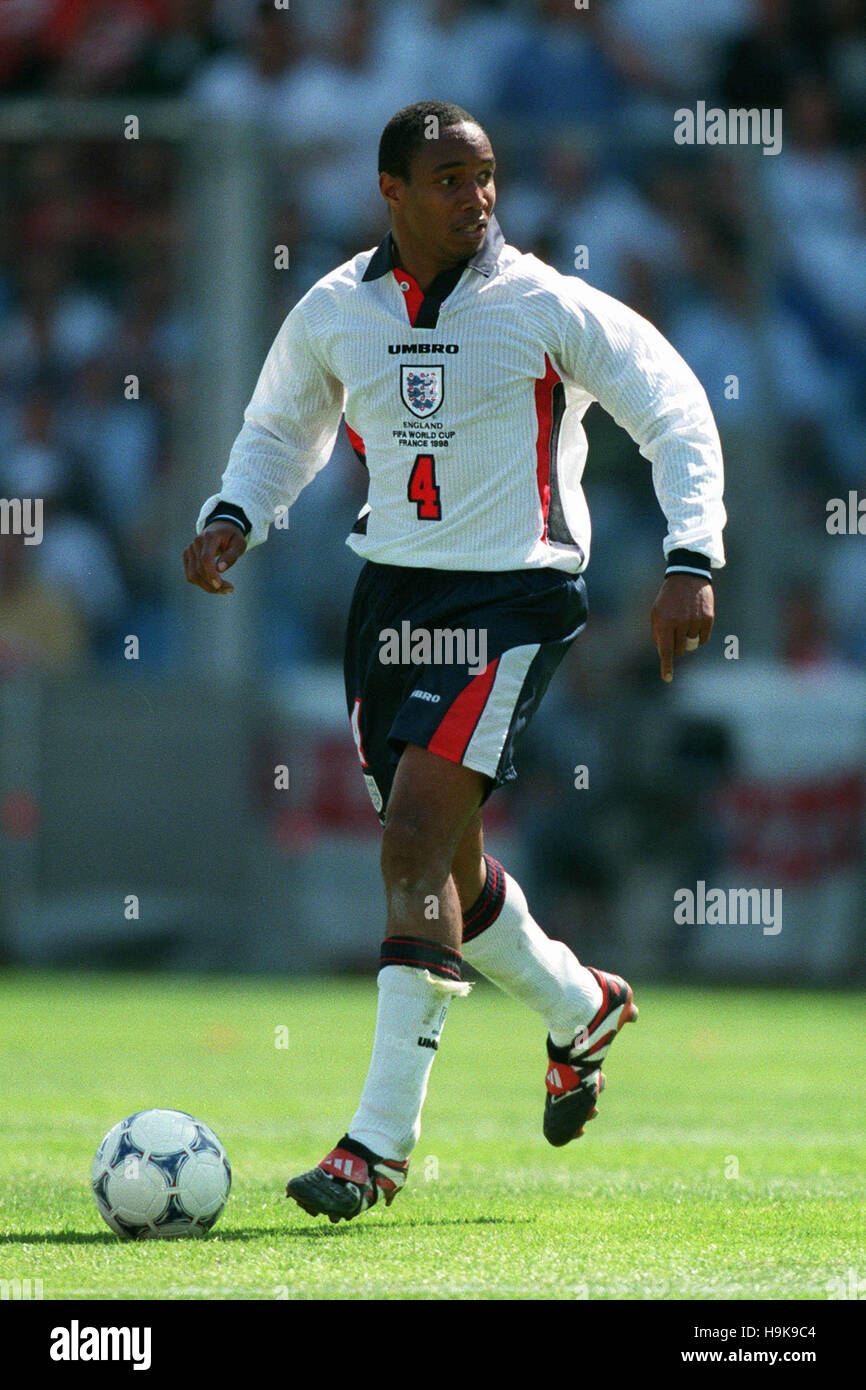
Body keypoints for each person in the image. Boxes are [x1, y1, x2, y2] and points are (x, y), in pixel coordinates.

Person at [183, 101, 725, 1223]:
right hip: (389, 598)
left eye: (484, 175)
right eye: (446, 178)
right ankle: (580, 1005)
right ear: (390, 191)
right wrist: (237, 510)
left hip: (514, 595)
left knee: (410, 839)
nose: (475, 196)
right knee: (449, 877)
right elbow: (283, 423)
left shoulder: (540, 302)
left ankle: (374, 1146)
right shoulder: (338, 306)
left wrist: (689, 554)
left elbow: (672, 406)